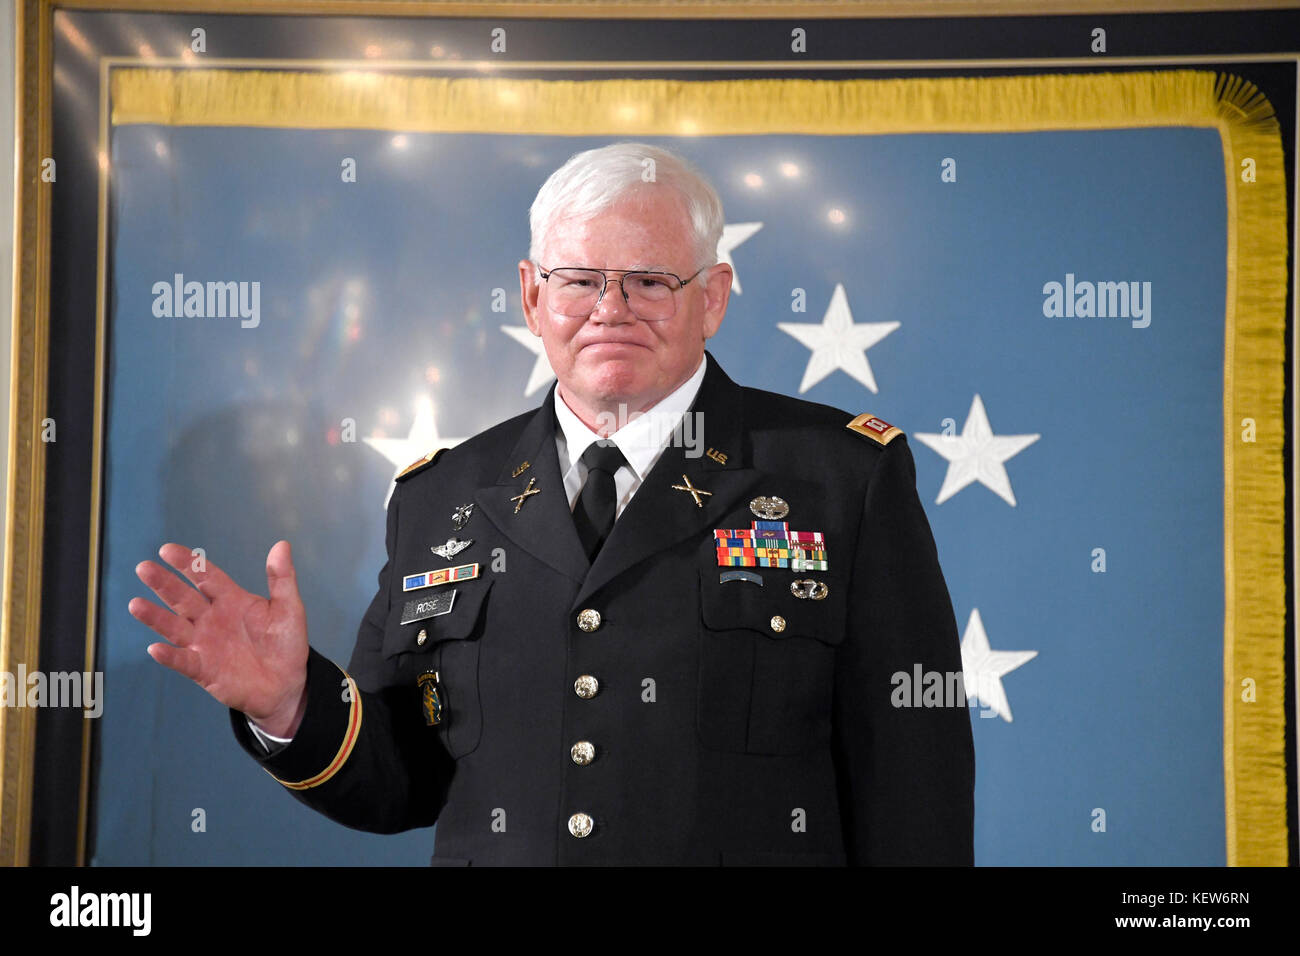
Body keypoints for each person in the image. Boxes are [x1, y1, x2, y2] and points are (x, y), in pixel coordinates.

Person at [129, 142, 974, 865]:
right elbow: (401, 781)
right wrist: (289, 705)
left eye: (650, 279)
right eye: (580, 280)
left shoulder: (840, 479)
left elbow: (914, 790)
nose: (612, 310)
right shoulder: (441, 496)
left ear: (711, 297)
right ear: (533, 295)